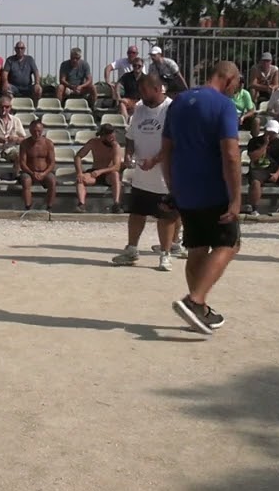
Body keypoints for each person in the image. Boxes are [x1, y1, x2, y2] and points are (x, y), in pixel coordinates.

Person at [158, 61, 243, 335]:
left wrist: (173, 186)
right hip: (213, 187)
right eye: (236, 85)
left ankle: (200, 310)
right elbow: (230, 155)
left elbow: (166, 150)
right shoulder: (224, 106)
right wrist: (236, 198)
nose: (235, 90)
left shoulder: (179, 102)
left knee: (197, 247)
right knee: (229, 244)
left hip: (185, 187)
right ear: (228, 80)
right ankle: (194, 301)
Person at [112, 74, 178, 270]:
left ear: (157, 89)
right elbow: (131, 136)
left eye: (145, 91)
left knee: (165, 216)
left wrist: (155, 160)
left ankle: (165, 255)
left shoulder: (171, 109)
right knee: (137, 213)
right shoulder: (139, 109)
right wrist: (128, 153)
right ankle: (131, 249)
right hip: (141, 175)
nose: (141, 95)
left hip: (164, 176)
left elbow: (174, 142)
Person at [74, 124, 123, 213]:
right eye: (110, 137)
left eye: (113, 136)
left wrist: (101, 171)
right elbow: (78, 156)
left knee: (115, 174)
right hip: (95, 172)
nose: (112, 139)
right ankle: (81, 204)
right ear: (103, 136)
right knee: (80, 179)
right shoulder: (93, 142)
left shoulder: (115, 146)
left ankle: (116, 204)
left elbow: (117, 166)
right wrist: (79, 172)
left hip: (107, 173)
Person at [245, 119, 279, 216]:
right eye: (269, 131)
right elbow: (253, 157)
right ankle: (255, 209)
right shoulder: (254, 141)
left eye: (273, 133)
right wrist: (265, 144)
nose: (270, 134)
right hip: (258, 168)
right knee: (255, 182)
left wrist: (277, 174)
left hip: (274, 169)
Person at [16, 119, 57, 211]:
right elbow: (22, 162)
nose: (37, 133)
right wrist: (31, 173)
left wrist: (44, 173)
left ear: (42, 131)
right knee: (26, 181)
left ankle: (49, 207)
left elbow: (52, 162)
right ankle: (28, 207)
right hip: (29, 171)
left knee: (52, 181)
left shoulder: (48, 143)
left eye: (39, 131)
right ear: (30, 131)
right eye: (34, 131)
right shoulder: (25, 144)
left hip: (45, 171)